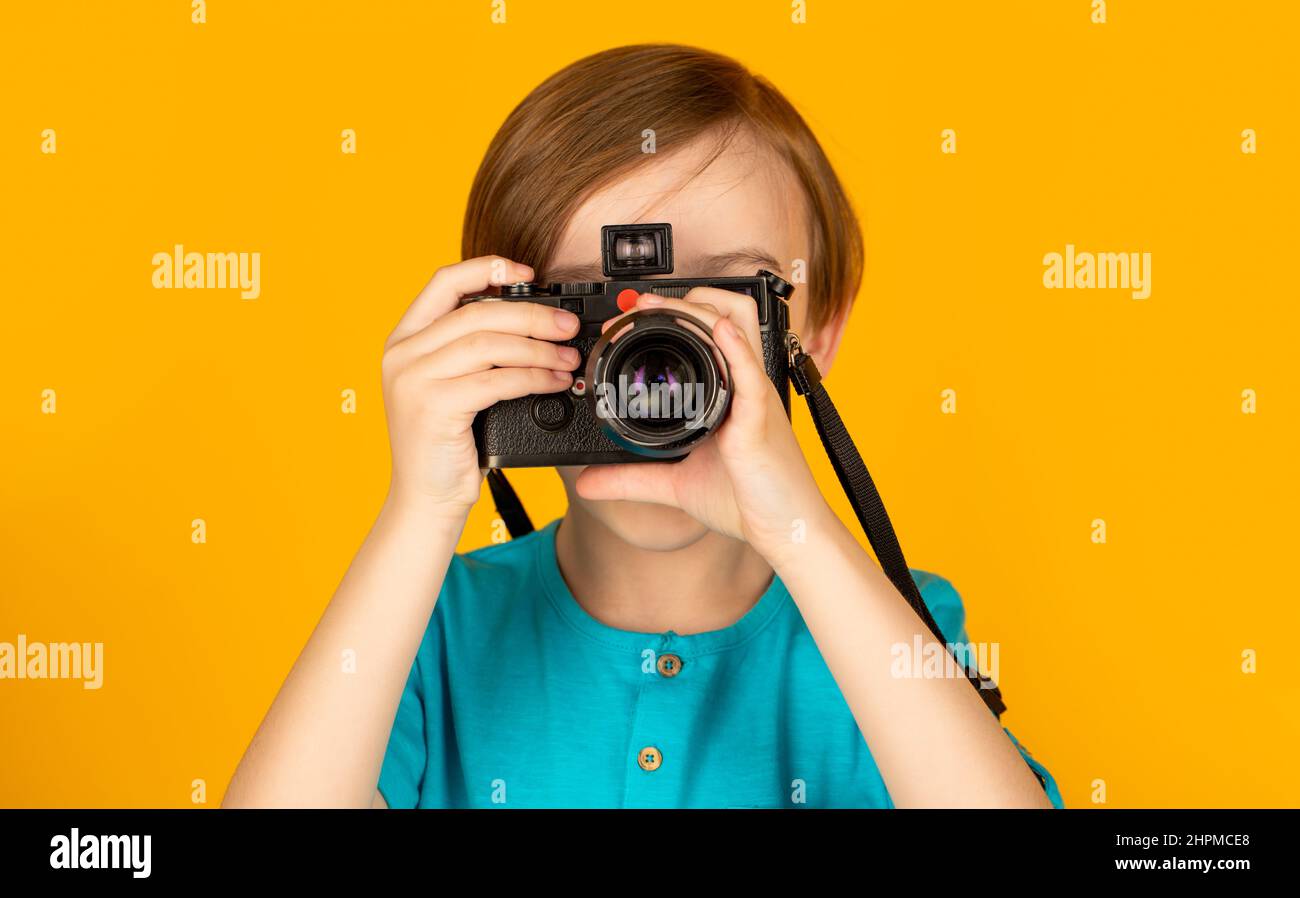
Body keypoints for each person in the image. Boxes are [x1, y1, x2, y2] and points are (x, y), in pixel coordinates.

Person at [224, 43, 1062, 809]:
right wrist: (421, 510)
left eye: (722, 302)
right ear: (491, 331)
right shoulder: (428, 626)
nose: (653, 363)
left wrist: (800, 530)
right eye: (592, 307)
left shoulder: (879, 626)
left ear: (815, 335)